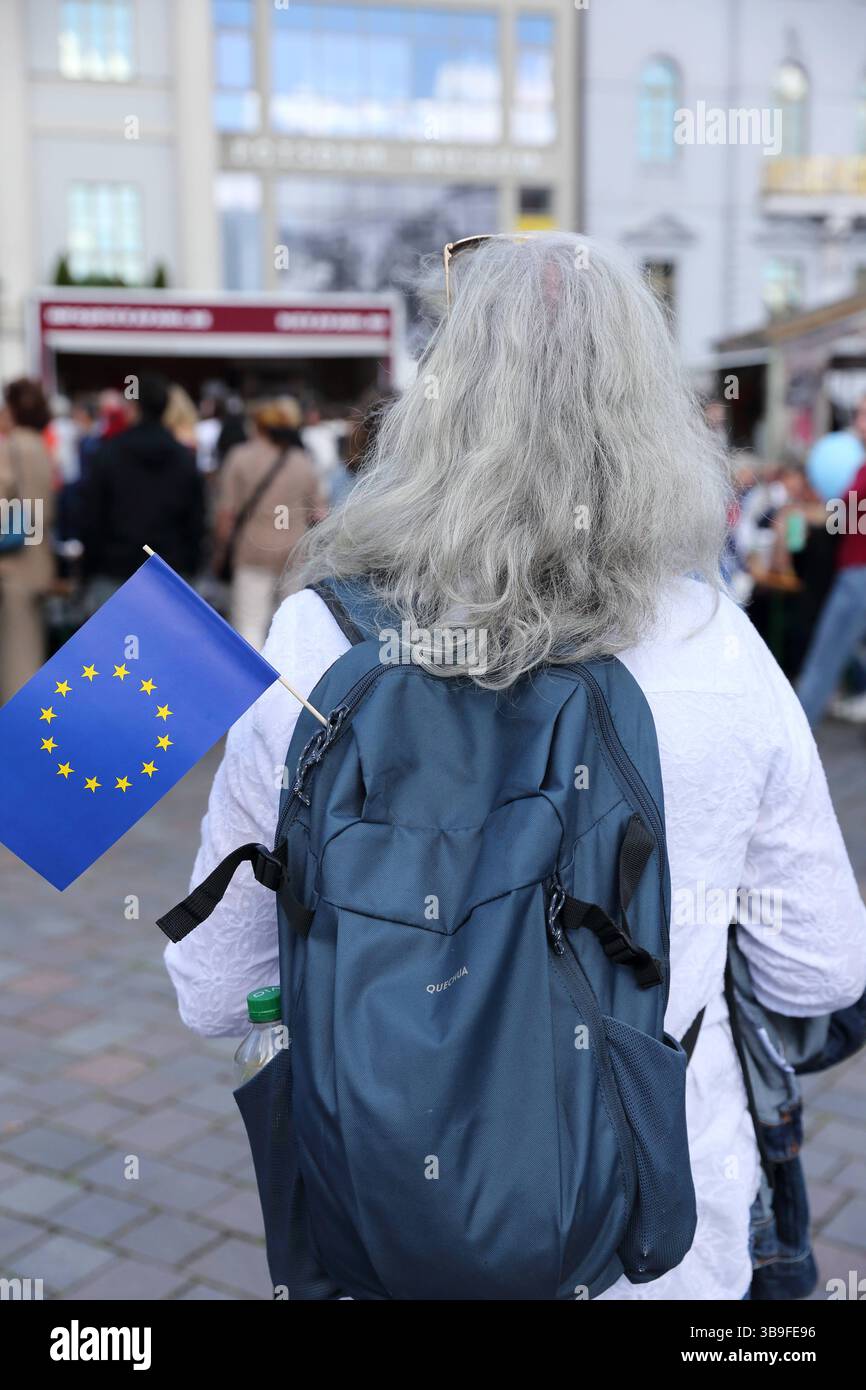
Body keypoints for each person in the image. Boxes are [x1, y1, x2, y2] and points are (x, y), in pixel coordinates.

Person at [164, 233, 866, 1301]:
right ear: (651, 411)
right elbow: (820, 973)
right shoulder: (719, 646)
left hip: (385, 1222)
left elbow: (217, 991)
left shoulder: (315, 640)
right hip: (657, 1240)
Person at [78, 373, 204, 605]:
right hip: (170, 572)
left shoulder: (108, 454)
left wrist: (88, 571)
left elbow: (92, 517)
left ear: (134, 408)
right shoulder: (183, 458)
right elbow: (196, 521)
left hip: (115, 571)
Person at [212, 397, 326, 650]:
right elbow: (319, 512)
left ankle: (253, 675)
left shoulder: (240, 457)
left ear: (257, 425)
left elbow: (226, 514)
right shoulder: (303, 461)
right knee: (290, 629)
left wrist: (221, 550)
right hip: (294, 553)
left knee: (249, 625)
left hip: (252, 552)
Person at [797, 396, 866, 727]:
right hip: (854, 571)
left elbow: (844, 514)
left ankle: (797, 734)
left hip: (858, 574)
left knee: (824, 658)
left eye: (864, 413)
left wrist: (812, 514)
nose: (858, 421)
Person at [0, 378, 56, 700]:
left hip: (11, 565)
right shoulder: (40, 446)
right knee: (28, 656)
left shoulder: (9, 447)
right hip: (37, 563)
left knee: (13, 666)